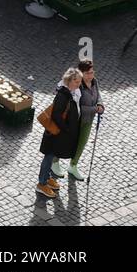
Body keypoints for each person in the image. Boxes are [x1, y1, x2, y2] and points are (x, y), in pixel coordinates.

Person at [36, 67, 83, 199]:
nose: (78, 84)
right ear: (68, 81)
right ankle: (42, 183)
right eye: (76, 81)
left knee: (52, 155)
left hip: (58, 134)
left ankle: (47, 178)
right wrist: (66, 129)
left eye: (79, 81)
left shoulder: (70, 93)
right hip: (55, 133)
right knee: (49, 157)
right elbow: (57, 115)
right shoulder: (63, 95)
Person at [57, 59, 103, 180]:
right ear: (81, 73)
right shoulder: (78, 86)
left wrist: (100, 104)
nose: (91, 75)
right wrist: (95, 109)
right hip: (76, 120)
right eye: (88, 73)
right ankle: (54, 161)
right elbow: (79, 107)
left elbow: (98, 96)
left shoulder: (94, 82)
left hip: (88, 121)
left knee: (81, 143)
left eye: (92, 72)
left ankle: (73, 165)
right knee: (67, 141)